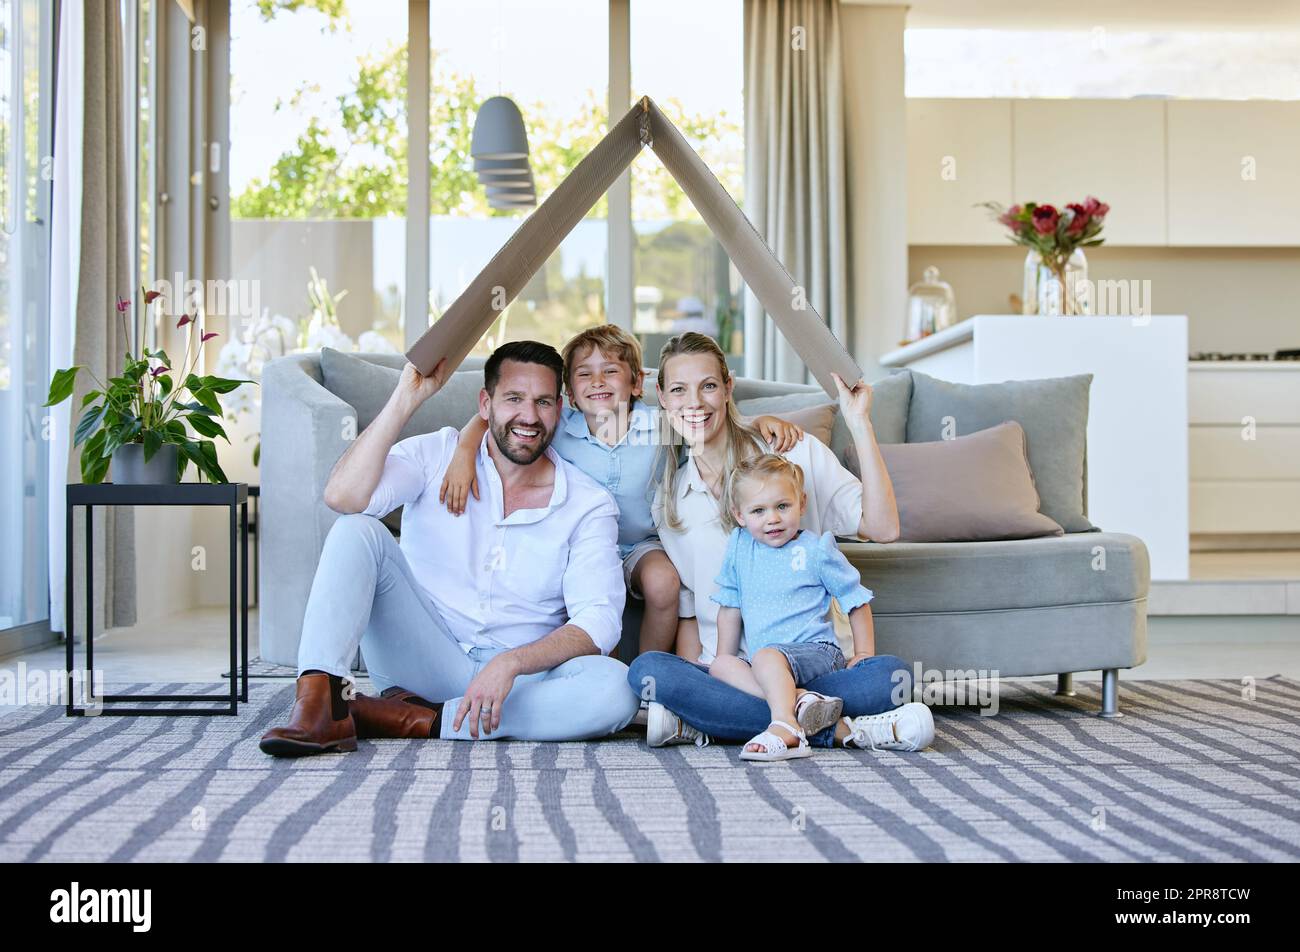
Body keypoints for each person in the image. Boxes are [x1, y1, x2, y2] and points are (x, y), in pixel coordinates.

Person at [260, 340, 640, 758]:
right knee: (356, 530)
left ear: (560, 407)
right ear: (485, 403)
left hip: (517, 682)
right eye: (513, 398)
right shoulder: (437, 453)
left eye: (543, 402)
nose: (528, 417)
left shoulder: (588, 503)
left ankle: (416, 719)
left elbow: (599, 621)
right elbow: (343, 496)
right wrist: (405, 399)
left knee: (616, 689)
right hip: (422, 660)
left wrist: (511, 663)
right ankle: (322, 707)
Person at [628, 332, 935, 753]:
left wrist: (859, 423)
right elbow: (689, 610)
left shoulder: (791, 453)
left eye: (709, 386)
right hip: (736, 675)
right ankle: (831, 724)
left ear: (729, 387)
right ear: (661, 397)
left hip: (814, 669)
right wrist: (698, 673)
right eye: (679, 389)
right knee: (648, 672)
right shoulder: (670, 500)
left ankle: (734, 722)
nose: (694, 402)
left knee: (891, 676)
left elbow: (883, 528)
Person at [434, 324, 803, 656]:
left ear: (637, 384)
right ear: (569, 394)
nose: (598, 381)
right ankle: (596, 672)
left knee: (664, 582)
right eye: (584, 374)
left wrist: (758, 421)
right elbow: (492, 418)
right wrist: (464, 452)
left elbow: (706, 420)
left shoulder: (659, 426)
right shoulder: (558, 425)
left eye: (611, 371)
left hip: (639, 545)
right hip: (574, 544)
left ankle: (647, 679)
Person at [710, 454, 886, 761]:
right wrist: (727, 660)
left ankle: (786, 726)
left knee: (767, 657)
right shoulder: (739, 546)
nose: (773, 519)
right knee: (720, 665)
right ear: (740, 515)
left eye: (782, 506)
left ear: (801, 504)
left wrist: (865, 654)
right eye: (758, 510)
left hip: (817, 652)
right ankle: (801, 700)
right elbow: (730, 606)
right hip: (766, 663)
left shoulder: (815, 550)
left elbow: (855, 600)